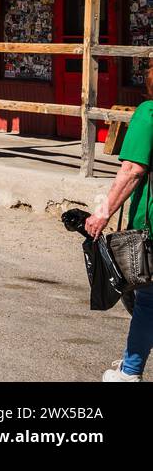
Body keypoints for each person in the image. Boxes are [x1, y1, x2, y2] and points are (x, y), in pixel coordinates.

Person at [88, 65, 153, 381]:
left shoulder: (149, 113)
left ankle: (129, 372)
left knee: (149, 301)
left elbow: (132, 169)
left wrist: (103, 212)